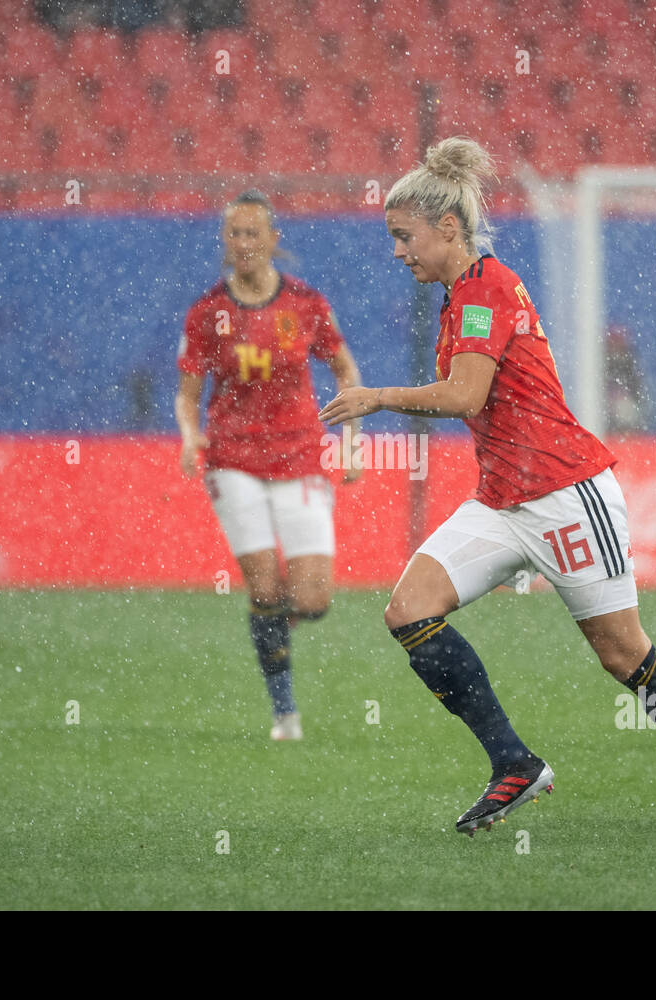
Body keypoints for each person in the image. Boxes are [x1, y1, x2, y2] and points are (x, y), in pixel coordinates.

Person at [318, 137, 656, 841]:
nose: (397, 251)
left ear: (449, 228)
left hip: (564, 492)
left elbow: (468, 394)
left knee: (625, 655)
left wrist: (376, 397)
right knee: (410, 610)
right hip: (503, 498)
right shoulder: (462, 294)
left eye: (404, 237)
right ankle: (514, 763)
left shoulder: (487, 288)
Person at [176, 189, 362, 741]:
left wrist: (350, 439)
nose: (245, 242)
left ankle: (273, 628)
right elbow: (188, 393)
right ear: (225, 243)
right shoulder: (208, 312)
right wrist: (191, 435)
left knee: (312, 599)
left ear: (274, 240)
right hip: (233, 458)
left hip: (300, 455)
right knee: (262, 588)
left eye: (255, 232)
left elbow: (346, 372)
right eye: (235, 233)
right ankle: (285, 712)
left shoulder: (305, 305)